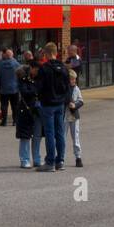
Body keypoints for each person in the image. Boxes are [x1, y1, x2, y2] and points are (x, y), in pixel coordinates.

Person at [36, 42, 71, 171]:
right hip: (60, 104)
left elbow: (39, 87)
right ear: (56, 53)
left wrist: (40, 98)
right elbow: (67, 87)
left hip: (48, 104)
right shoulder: (63, 68)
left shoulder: (44, 68)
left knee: (50, 132)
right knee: (60, 132)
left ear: (46, 53)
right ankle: (60, 160)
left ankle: (50, 161)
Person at [15, 59, 43, 169]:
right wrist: (36, 91)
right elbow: (24, 92)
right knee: (25, 136)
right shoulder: (22, 78)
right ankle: (24, 159)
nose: (37, 72)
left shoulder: (39, 78)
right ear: (31, 68)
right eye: (36, 70)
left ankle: (36, 159)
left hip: (38, 109)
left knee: (37, 135)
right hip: (26, 109)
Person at [0, 48, 21, 126]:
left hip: (4, 88)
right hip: (14, 88)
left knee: (4, 105)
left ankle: (4, 121)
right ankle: (15, 121)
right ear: (12, 55)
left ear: (6, 56)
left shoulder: (1, 64)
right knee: (15, 105)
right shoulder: (17, 64)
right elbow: (20, 76)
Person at [65, 69, 84, 167]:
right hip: (65, 115)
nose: (73, 81)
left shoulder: (76, 89)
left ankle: (78, 157)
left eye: (74, 79)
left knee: (75, 137)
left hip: (74, 115)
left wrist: (75, 105)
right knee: (62, 137)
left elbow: (81, 101)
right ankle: (61, 157)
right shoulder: (63, 89)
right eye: (71, 79)